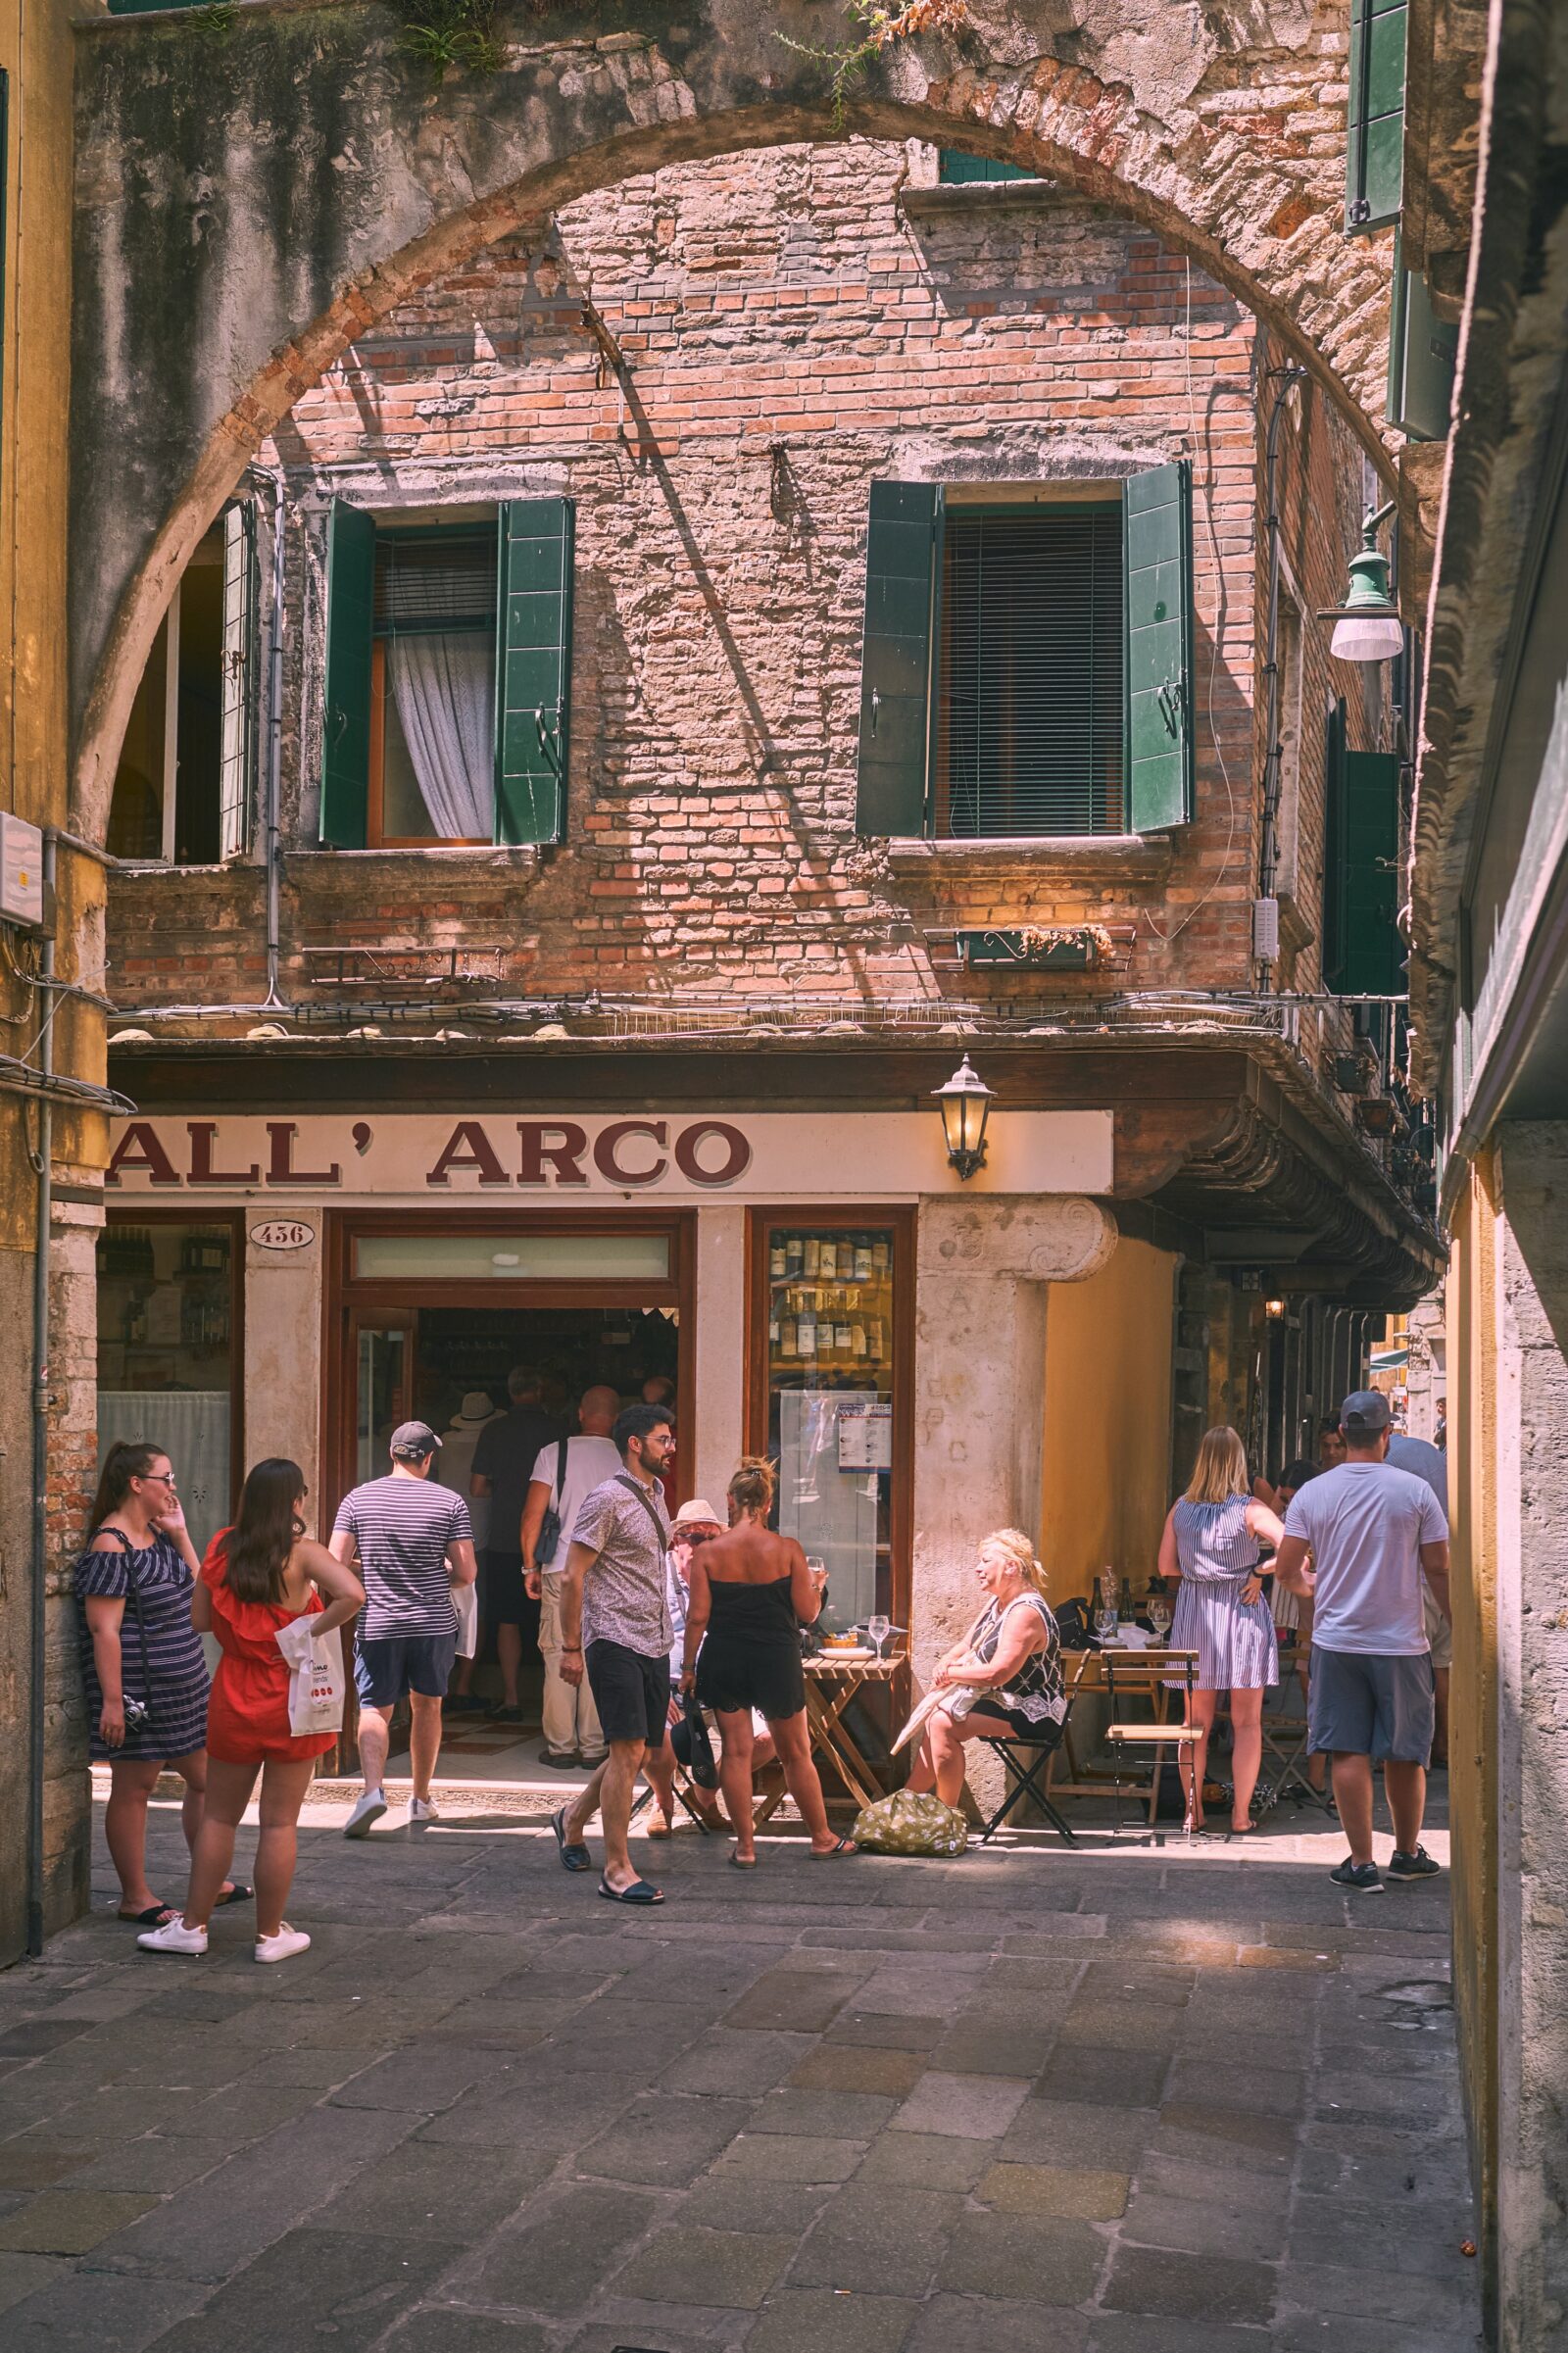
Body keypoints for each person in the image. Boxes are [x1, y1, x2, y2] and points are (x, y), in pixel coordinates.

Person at [137, 1458, 365, 1962]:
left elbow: (199, 1618)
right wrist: (308, 1629)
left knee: (218, 1817)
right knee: (280, 1823)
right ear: (295, 1503)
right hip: (292, 1699)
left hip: (235, 1695)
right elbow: (353, 1594)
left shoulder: (222, 1546)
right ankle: (269, 1937)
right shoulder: (303, 1555)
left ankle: (193, 1928)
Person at [1273, 1388, 1451, 1891]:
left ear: (1343, 1436)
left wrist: (1313, 1585)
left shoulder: (1314, 1493)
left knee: (1347, 1749)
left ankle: (1360, 1862)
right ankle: (1407, 1852)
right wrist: (1457, 1617)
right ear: (1387, 1437)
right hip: (1401, 1642)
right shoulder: (1415, 1492)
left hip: (1338, 1640)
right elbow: (1438, 1567)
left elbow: (1287, 1570)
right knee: (1404, 1752)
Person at [74, 1441, 244, 1927]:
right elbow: (103, 1629)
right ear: (136, 1484)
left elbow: (203, 1595)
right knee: (135, 1786)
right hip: (139, 1689)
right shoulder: (112, 1544)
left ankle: (211, 1880)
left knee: (208, 1780)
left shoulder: (160, 1534)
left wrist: (183, 1534)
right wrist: (112, 1702)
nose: (173, 1486)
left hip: (186, 1681)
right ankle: (136, 1896)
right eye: (165, 1478)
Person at [680, 1460, 854, 1866]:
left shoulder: (708, 1553)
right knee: (796, 1752)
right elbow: (808, 1614)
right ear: (768, 1503)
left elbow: (697, 1617)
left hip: (724, 1655)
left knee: (737, 1752)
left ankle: (745, 1846)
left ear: (730, 1500)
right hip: (775, 1656)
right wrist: (814, 1584)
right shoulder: (788, 1549)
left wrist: (688, 1667)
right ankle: (822, 1838)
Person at [552, 1403, 677, 1903]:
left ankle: (572, 1818)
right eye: (663, 1439)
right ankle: (618, 1869)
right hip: (613, 1637)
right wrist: (571, 1648)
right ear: (635, 1443)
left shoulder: (658, 1494)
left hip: (654, 1638)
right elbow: (571, 1575)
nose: (670, 1448)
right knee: (627, 1750)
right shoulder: (605, 1500)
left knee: (641, 1748)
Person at [328, 1421, 477, 1837]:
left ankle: (373, 1791)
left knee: (375, 1707)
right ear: (428, 1458)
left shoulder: (357, 1499)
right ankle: (421, 1798)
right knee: (428, 1705)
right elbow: (466, 1573)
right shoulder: (450, 1502)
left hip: (378, 1622)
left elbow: (334, 1564)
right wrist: (437, 1570)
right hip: (432, 1625)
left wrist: (372, 1568)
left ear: (391, 1455)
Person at [1157, 1429, 1286, 1836]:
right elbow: (1295, 1545)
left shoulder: (1182, 1508)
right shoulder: (1250, 1508)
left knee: (1194, 1723)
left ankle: (1192, 1812)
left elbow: (1165, 1567)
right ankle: (1241, 1814)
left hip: (1196, 1615)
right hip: (1242, 1611)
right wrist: (1258, 1572)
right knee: (1247, 1723)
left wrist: (1200, 1574)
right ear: (1238, 1462)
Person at [906, 1529, 1066, 1810]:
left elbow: (998, 1674)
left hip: (1034, 1711)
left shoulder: (1024, 1612)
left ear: (1011, 1567)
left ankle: (946, 1816)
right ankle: (907, 1801)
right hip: (1004, 1701)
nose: (978, 1568)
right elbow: (967, 1644)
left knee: (943, 1723)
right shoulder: (999, 1602)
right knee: (937, 1718)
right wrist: (945, 1661)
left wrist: (951, 1673)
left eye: (985, 1561)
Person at [521, 1385, 621, 1766]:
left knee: (558, 1653)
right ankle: (595, 1747)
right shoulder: (626, 1458)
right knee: (599, 1653)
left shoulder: (553, 1453)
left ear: (580, 1413)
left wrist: (529, 1566)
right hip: (610, 1571)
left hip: (561, 1567)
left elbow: (532, 1517)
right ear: (615, 1418)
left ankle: (562, 1747)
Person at [457, 1369, 555, 1722]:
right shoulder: (556, 1431)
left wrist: (509, 1493)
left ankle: (511, 1696)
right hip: (550, 1540)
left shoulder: (494, 1430)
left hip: (504, 1537)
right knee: (554, 1621)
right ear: (540, 1389)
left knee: (507, 1621)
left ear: (510, 1394)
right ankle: (554, 1700)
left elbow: (478, 1487)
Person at [642, 1496, 727, 1838]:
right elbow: (642, 1638)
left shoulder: (724, 1575)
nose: (702, 1545)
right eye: (694, 1537)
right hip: (669, 1685)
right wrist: (657, 1687)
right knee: (657, 1739)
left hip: (718, 1685)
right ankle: (663, 1802)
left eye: (710, 1538)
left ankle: (703, 1796)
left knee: (767, 1738)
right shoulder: (654, 1578)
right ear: (676, 1540)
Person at [1387, 1426, 1452, 1769]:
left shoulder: (1390, 1461)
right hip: (1449, 1570)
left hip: (1422, 1576)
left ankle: (1410, 1750)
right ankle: (1442, 1744)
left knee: (1412, 1666)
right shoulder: (1424, 1450)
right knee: (1443, 1667)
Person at [1270, 1457, 1327, 1792]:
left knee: (1319, 1707)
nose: (1289, 1506)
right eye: (1286, 1499)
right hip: (1310, 1634)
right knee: (1314, 1707)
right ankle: (1316, 1779)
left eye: (1293, 1498)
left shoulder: (1316, 1524)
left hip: (1328, 1630)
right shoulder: (1290, 1524)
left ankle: (1318, 1780)